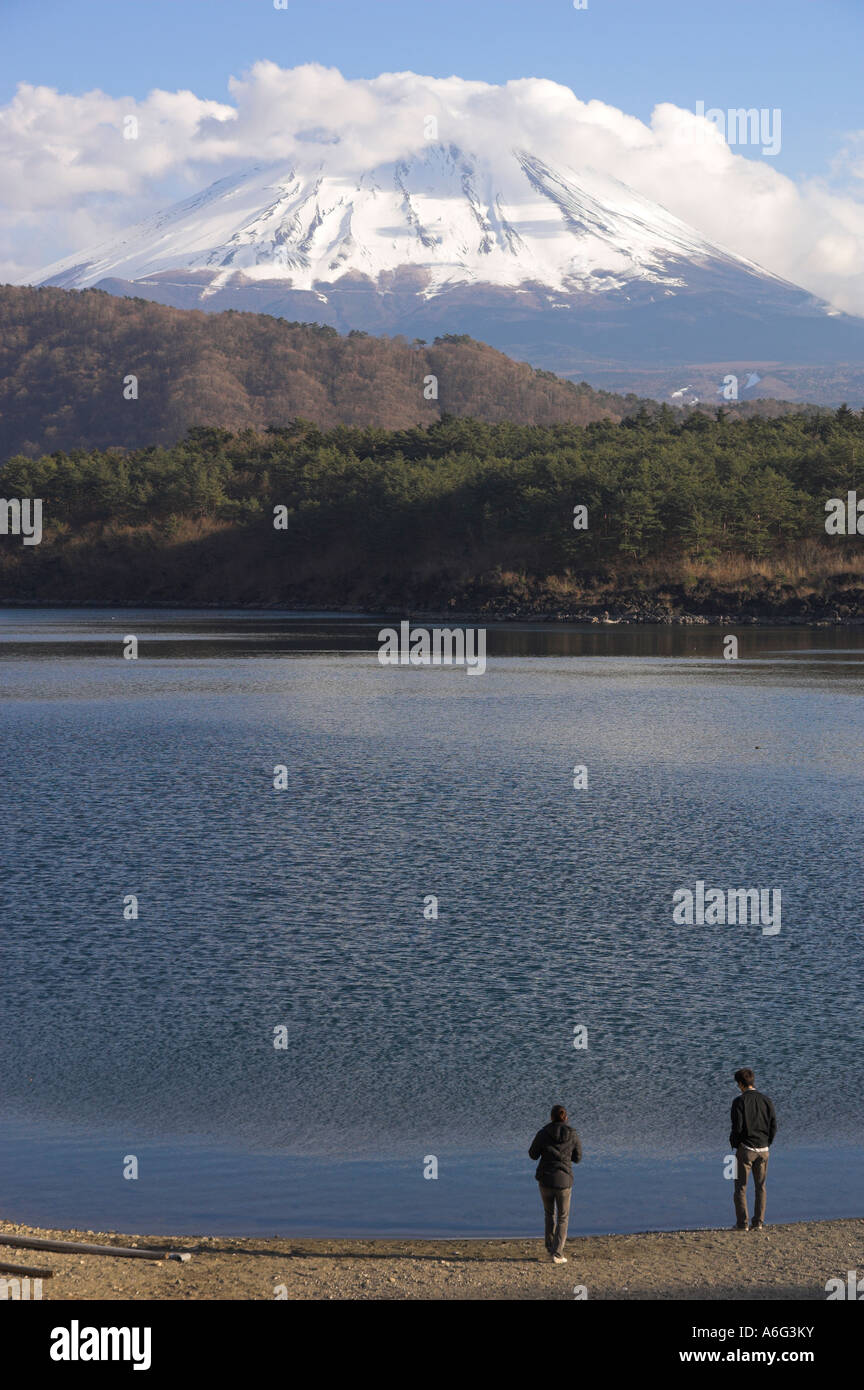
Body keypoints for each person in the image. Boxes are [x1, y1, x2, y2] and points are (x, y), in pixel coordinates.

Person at [529, 1104, 582, 1263]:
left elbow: (532, 1155)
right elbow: (578, 1158)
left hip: (545, 1179)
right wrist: (566, 1156)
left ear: (551, 1117)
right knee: (563, 1217)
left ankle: (550, 1248)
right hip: (564, 1180)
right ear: (565, 1117)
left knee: (549, 1214)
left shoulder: (543, 1133)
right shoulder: (572, 1134)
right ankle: (557, 1253)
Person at [730, 1067, 777, 1231]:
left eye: (738, 1084)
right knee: (761, 1187)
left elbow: (737, 1127)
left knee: (740, 1187)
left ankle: (742, 1224)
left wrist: (735, 1144)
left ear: (741, 1084)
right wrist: (767, 1143)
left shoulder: (739, 1102)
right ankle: (758, 1222)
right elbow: (773, 1126)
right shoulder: (767, 1100)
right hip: (764, 1148)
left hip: (746, 1149)